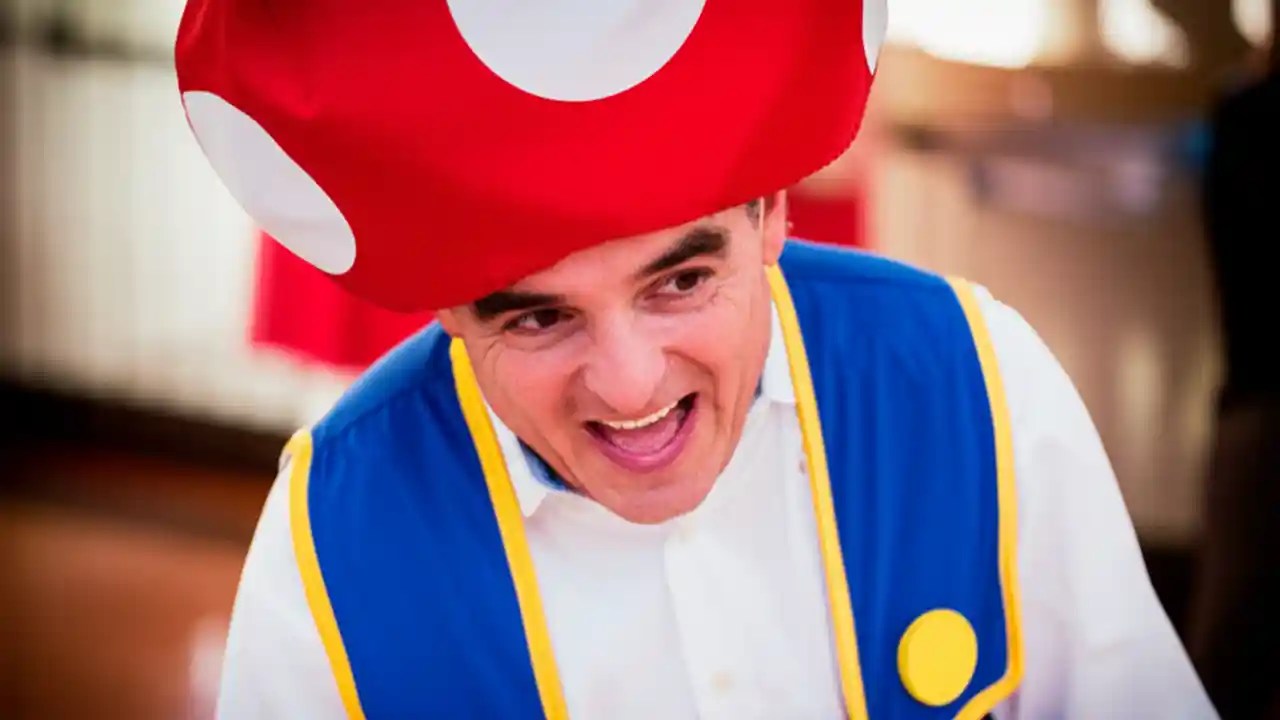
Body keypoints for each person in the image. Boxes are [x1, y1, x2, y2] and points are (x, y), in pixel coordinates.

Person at [175, 1, 1218, 717]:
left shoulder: (970, 385)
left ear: (770, 214)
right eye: (538, 320)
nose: (630, 387)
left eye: (678, 282)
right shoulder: (336, 537)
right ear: (451, 310)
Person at [1186, 4, 1280, 718]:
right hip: (1260, 408)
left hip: (1254, 406)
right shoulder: (1244, 118)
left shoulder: (1240, 117)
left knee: (1230, 648)